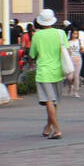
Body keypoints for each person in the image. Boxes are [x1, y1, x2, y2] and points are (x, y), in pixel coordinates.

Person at [27, 9, 67, 138]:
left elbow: (32, 54)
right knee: (54, 102)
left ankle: (57, 129)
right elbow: (66, 52)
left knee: (49, 101)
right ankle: (48, 126)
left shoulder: (37, 36)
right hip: (59, 71)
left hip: (44, 72)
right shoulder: (61, 33)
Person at [65, 26, 84, 98]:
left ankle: (76, 91)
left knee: (76, 76)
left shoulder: (79, 41)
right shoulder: (67, 42)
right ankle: (70, 85)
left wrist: (83, 50)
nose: (75, 35)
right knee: (70, 77)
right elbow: (66, 51)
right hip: (70, 60)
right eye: (74, 34)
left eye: (76, 34)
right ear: (71, 34)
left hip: (78, 59)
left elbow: (82, 50)